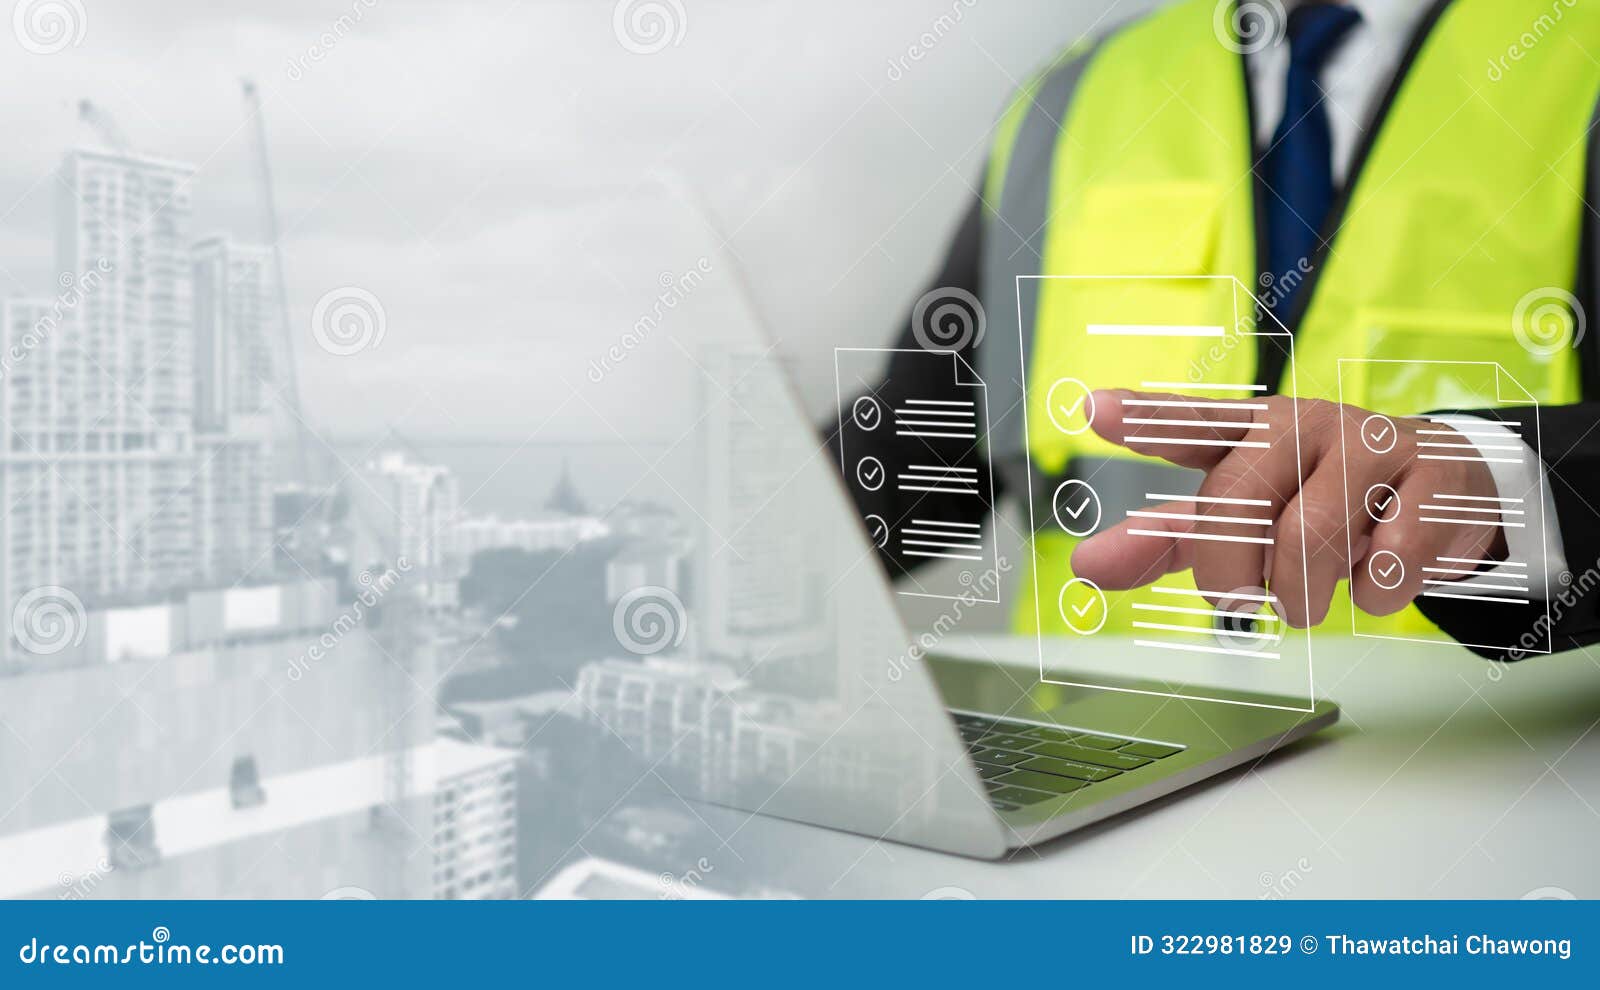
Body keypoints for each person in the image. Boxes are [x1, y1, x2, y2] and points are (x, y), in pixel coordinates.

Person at [833, 0, 1600, 660]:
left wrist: (1507, 483)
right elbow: (923, 443)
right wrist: (738, 553)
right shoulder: (1076, 93)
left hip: (1465, 788)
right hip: (1106, 783)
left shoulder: (1577, 56)